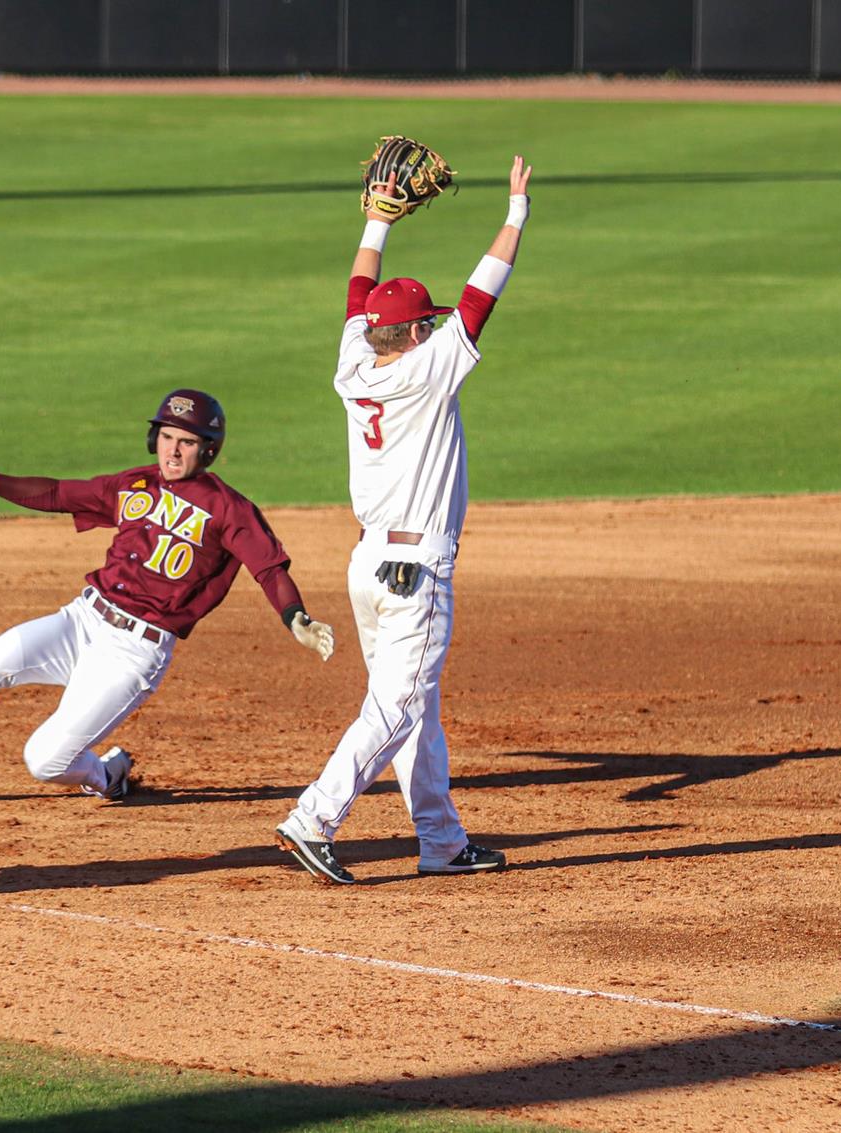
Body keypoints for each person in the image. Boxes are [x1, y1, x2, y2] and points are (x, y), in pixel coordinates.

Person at [0, 389, 336, 798]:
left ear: (207, 451)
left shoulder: (229, 509)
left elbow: (268, 567)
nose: (172, 451)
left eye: (186, 442)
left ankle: (106, 775)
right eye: (166, 437)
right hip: (82, 620)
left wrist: (295, 616)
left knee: (43, 761)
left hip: (135, 651)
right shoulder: (136, 483)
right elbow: (57, 494)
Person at [275, 155, 533, 884]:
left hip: (368, 570)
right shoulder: (430, 367)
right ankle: (313, 818)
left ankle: (441, 841)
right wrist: (515, 213)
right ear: (418, 331)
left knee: (416, 705)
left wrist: (375, 222)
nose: (439, 325)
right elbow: (482, 296)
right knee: (395, 706)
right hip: (417, 573)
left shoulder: (354, 362)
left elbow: (360, 294)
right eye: (430, 320)